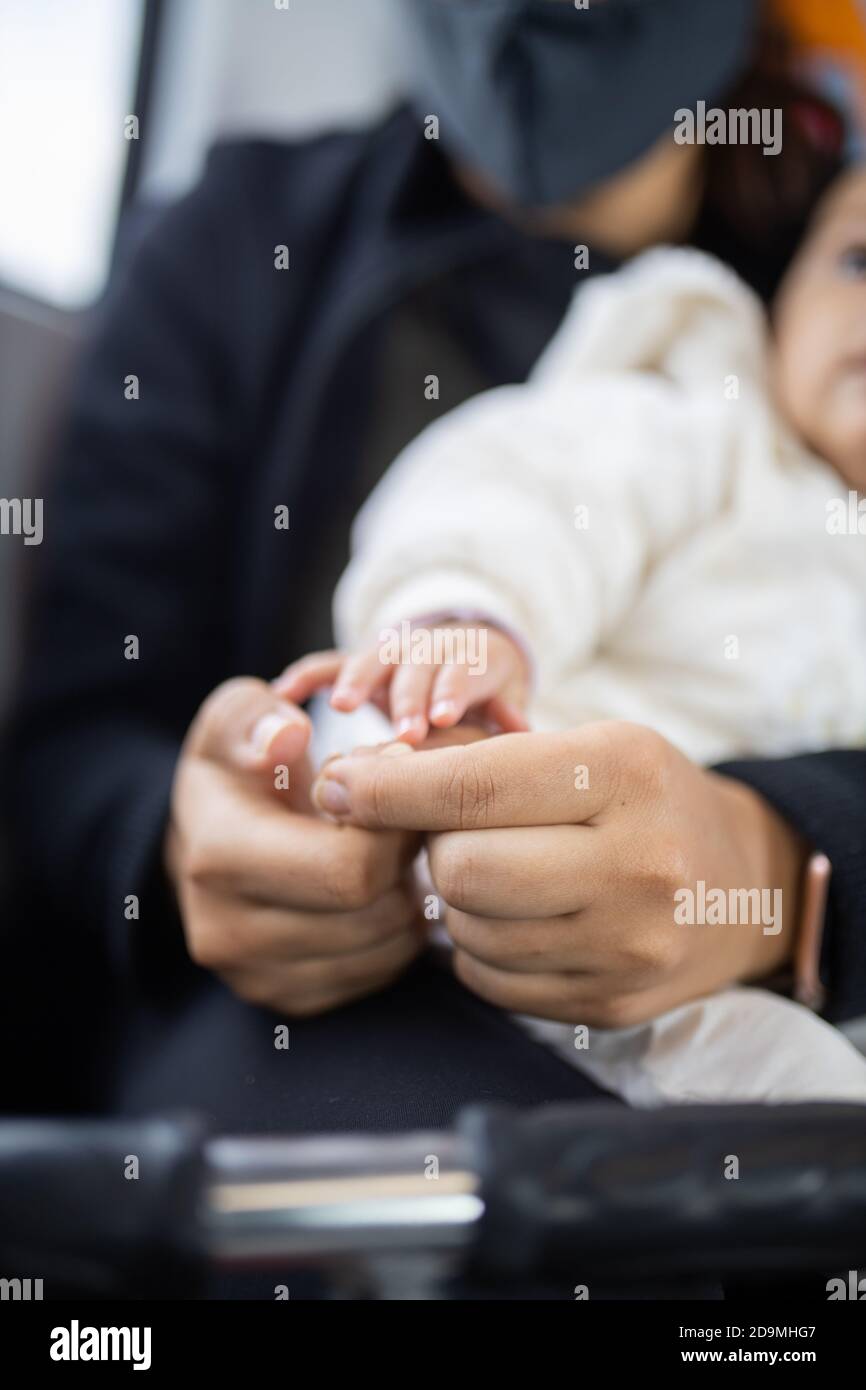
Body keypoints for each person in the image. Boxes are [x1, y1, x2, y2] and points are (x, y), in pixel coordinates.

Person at [4, 0, 864, 1154]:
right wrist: (179, 846)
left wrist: (771, 867)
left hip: (746, 1011)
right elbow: (75, 737)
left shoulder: (812, 264)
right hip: (348, 988)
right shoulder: (688, 370)